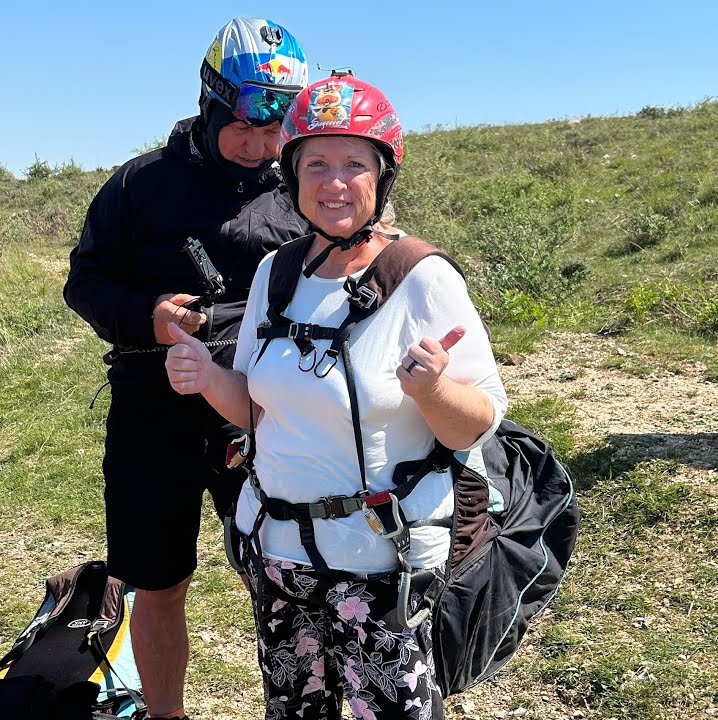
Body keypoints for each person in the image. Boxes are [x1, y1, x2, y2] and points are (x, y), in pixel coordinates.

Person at [164, 73, 507, 720]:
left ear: (382, 176)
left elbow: (478, 424)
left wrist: (432, 390)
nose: (334, 181)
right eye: (315, 163)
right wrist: (208, 378)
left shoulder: (421, 277)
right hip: (277, 553)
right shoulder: (277, 273)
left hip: (381, 563)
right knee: (291, 710)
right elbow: (259, 412)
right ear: (291, 177)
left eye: (354, 162)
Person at [63, 17, 308, 720]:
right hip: (152, 411)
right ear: (210, 101)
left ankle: (295, 705)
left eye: (275, 132)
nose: (262, 147)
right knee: (160, 583)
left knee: (279, 578)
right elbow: (84, 281)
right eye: (248, 128)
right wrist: (148, 315)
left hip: (265, 411)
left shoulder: (297, 187)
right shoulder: (140, 185)